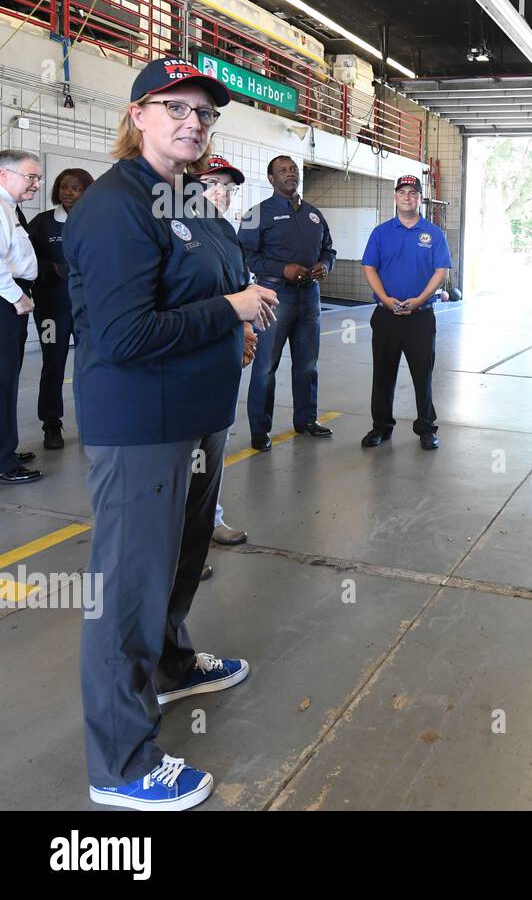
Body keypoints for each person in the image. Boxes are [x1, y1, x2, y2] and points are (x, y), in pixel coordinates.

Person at [65, 57, 279, 811]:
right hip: (142, 424)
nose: (194, 121)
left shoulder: (190, 201)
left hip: (196, 415)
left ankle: (172, 663)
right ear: (138, 117)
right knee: (128, 586)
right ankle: (120, 763)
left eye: (205, 112)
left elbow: (218, 286)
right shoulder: (115, 206)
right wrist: (231, 312)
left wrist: (238, 320)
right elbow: (124, 336)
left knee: (181, 558)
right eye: (176, 107)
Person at [240, 154, 335, 450]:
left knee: (307, 364)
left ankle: (306, 419)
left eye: (293, 169)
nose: (290, 174)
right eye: (282, 170)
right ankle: (260, 430)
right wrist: (283, 269)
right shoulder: (257, 214)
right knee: (266, 366)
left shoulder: (314, 214)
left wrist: (324, 265)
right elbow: (244, 255)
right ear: (271, 179)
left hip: (310, 297)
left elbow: (329, 250)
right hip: (273, 298)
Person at [360, 175, 451, 450]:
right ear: (395, 197)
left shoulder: (433, 234)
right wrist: (386, 299)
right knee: (383, 374)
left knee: (422, 374)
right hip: (386, 316)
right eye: (402, 192)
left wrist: (420, 299)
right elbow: (369, 267)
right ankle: (381, 427)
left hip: (420, 317)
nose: (407, 197)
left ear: (420, 198)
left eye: (413, 192)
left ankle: (426, 427)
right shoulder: (381, 232)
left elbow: (441, 270)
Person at [196, 155, 256, 548]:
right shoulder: (176, 230)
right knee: (185, 453)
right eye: (212, 183)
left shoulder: (228, 234)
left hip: (223, 356)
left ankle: (207, 523)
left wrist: (247, 328)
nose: (222, 193)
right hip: (188, 357)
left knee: (215, 447)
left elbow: (242, 288)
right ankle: (179, 541)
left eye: (229, 187)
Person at [27, 167, 93, 450]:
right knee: (53, 365)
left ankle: (91, 421)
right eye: (64, 186)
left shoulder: (97, 221)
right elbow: (24, 262)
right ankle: (51, 424)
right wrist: (51, 268)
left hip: (88, 309)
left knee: (89, 365)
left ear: (87, 191)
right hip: (52, 308)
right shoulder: (43, 223)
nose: (68, 192)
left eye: (76, 187)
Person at [0, 149, 40, 484]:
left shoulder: (10, 208)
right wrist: (18, 298)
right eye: (31, 177)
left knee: (8, 377)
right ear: (4, 175)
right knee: (3, 380)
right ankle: (3, 461)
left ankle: (6, 449)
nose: (36, 184)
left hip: (11, 297)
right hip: (6, 300)